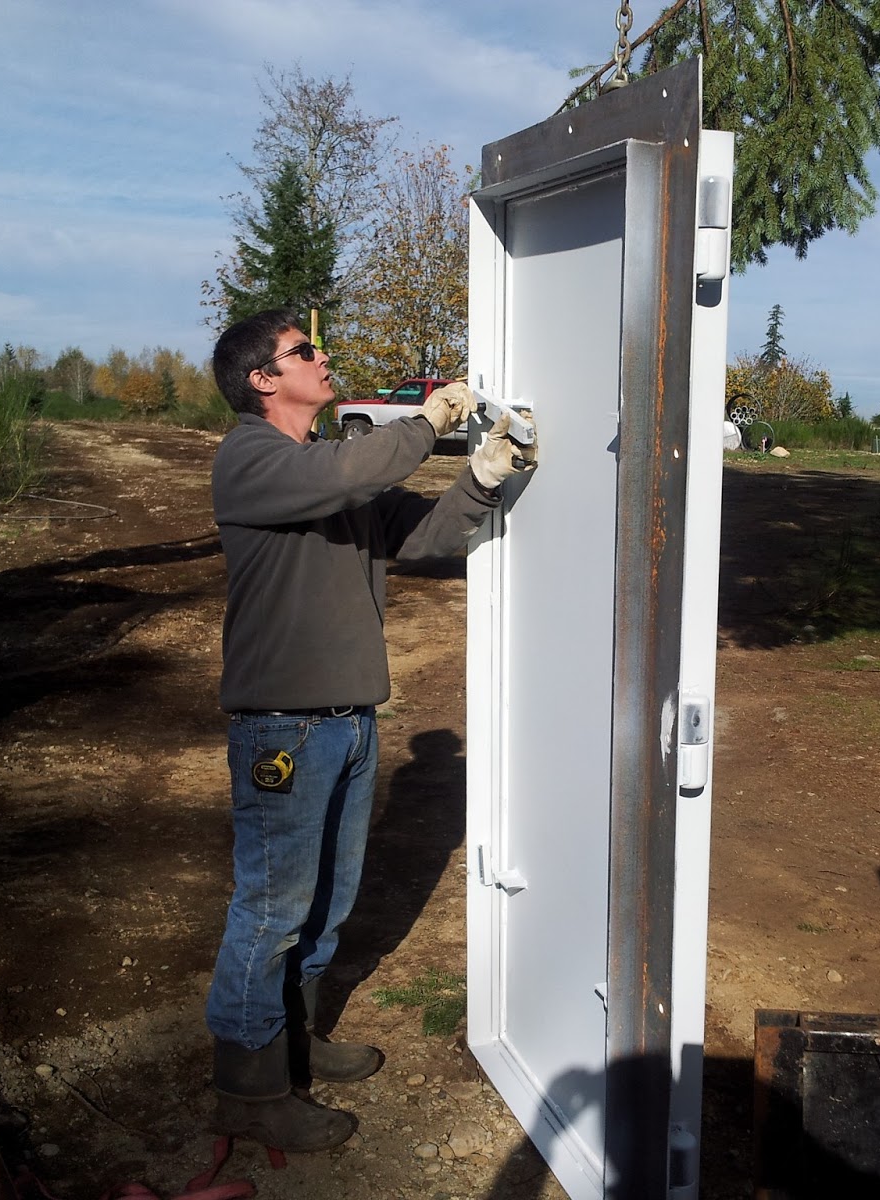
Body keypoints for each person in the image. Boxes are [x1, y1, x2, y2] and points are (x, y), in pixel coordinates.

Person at [204, 307, 533, 1153]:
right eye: (302, 351)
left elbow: (423, 537)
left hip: (347, 724)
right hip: (282, 729)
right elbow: (351, 476)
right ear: (262, 379)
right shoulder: (251, 459)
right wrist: (426, 422)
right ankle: (248, 1087)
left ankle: (296, 1047)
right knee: (271, 910)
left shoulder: (327, 470)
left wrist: (485, 480)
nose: (321, 357)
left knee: (325, 906)